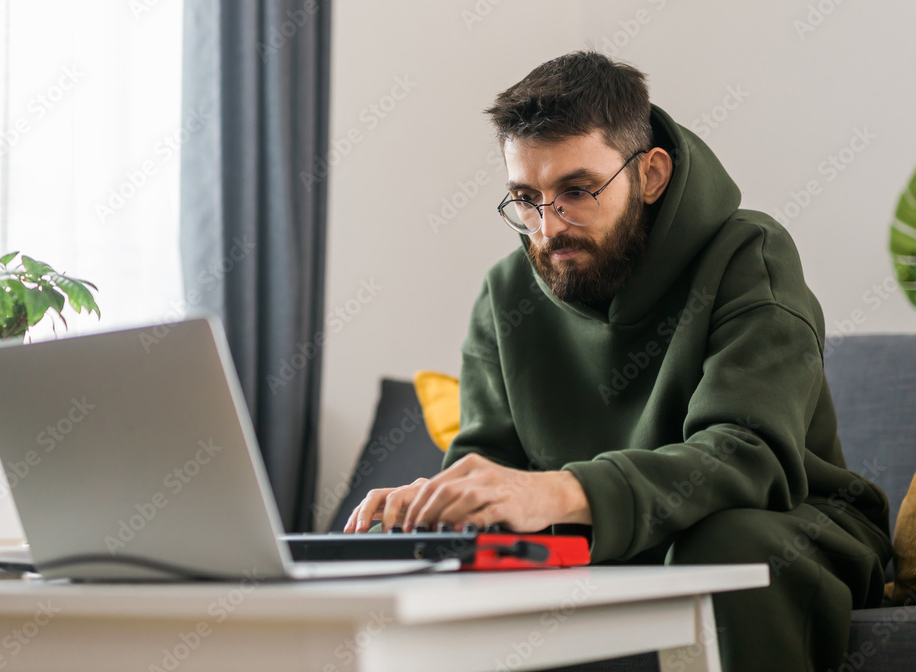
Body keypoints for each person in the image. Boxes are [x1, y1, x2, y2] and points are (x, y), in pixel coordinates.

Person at [343, 51, 892, 672]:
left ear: (651, 174)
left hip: (794, 524)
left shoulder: (749, 255)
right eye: (526, 198)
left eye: (576, 191)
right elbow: (489, 469)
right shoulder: (506, 295)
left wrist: (564, 491)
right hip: (591, 540)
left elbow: (749, 452)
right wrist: (438, 508)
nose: (549, 228)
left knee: (726, 544)